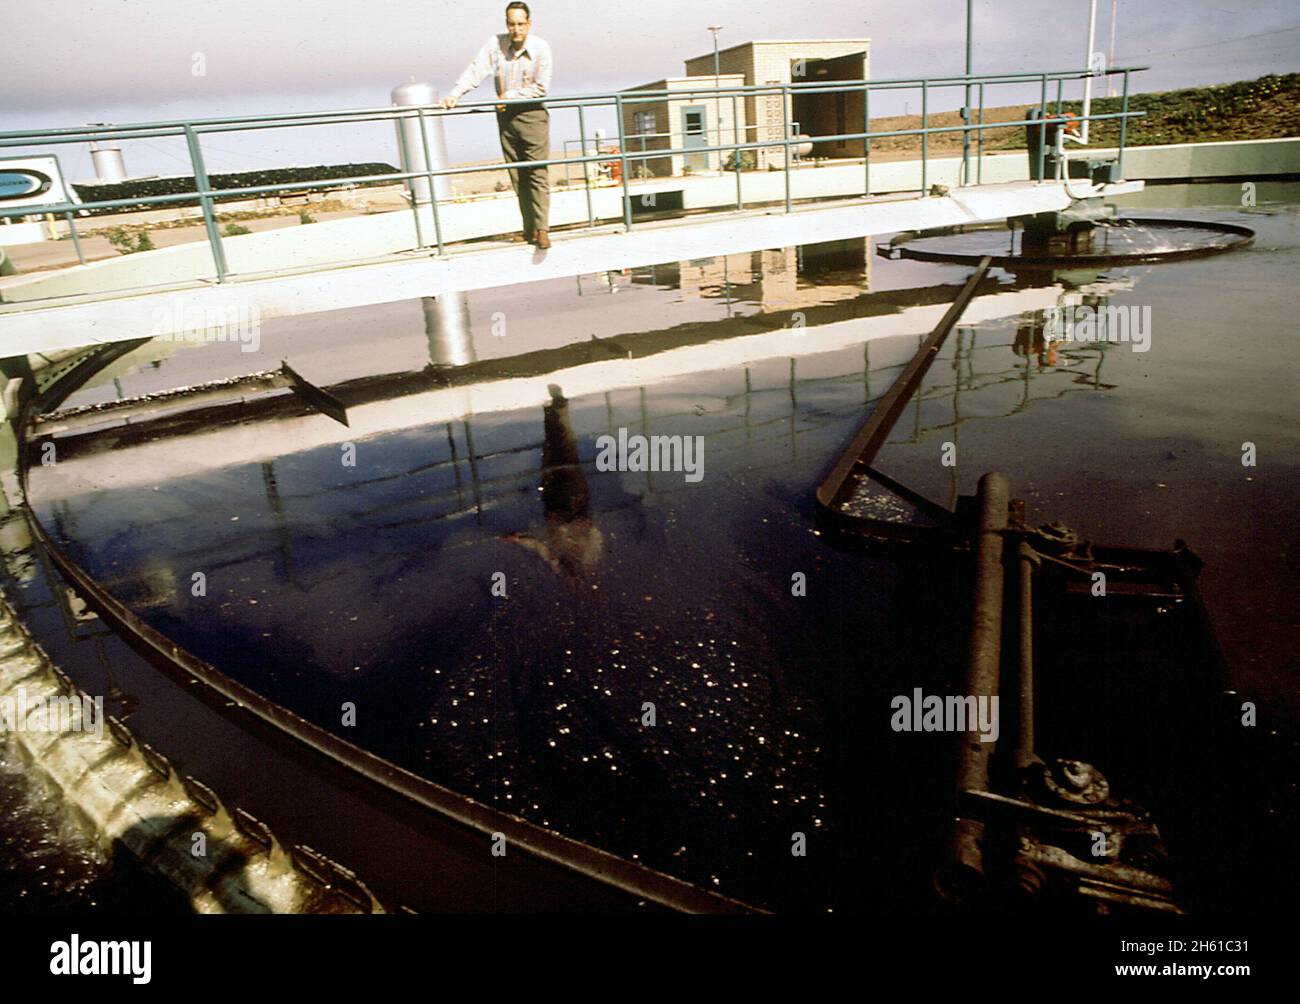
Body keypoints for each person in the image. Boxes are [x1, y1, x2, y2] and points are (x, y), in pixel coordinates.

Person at [442, 3, 554, 248]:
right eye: (511, 24)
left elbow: (542, 88)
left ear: (529, 24)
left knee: (537, 173)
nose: (516, 29)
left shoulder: (541, 48)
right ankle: (529, 231)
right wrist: (455, 94)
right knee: (517, 175)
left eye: (521, 24)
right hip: (505, 118)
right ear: (507, 24)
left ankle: (543, 229)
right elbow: (476, 70)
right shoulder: (496, 44)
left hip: (532, 115)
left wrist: (509, 96)